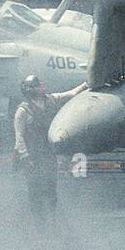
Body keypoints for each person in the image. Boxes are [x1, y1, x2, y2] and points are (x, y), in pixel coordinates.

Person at [13, 75, 86, 223]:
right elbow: (19, 137)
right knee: (35, 190)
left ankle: (51, 218)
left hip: (48, 155)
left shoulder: (51, 100)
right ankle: (39, 222)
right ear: (31, 90)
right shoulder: (23, 111)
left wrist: (86, 84)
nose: (42, 86)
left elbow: (71, 93)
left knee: (51, 188)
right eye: (38, 85)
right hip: (32, 157)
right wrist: (25, 156)